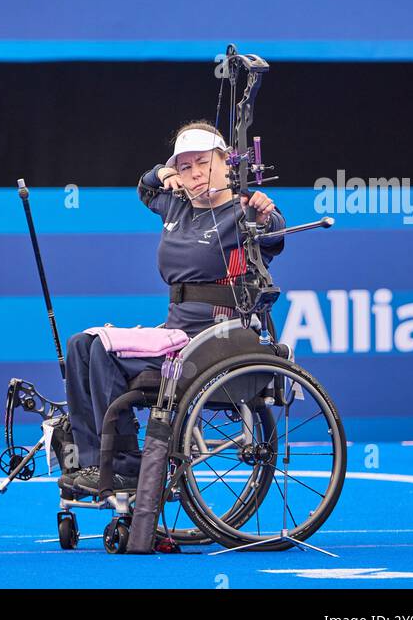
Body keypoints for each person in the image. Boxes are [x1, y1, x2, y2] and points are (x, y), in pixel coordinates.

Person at [62, 119, 285, 496]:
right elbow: (146, 186)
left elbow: (274, 233)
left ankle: (127, 467)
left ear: (226, 163)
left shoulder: (243, 211)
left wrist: (264, 213)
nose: (195, 173)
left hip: (217, 340)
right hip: (175, 334)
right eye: (186, 166)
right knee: (79, 345)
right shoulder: (176, 206)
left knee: (103, 349)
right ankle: (91, 463)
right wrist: (163, 172)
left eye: (203, 162)